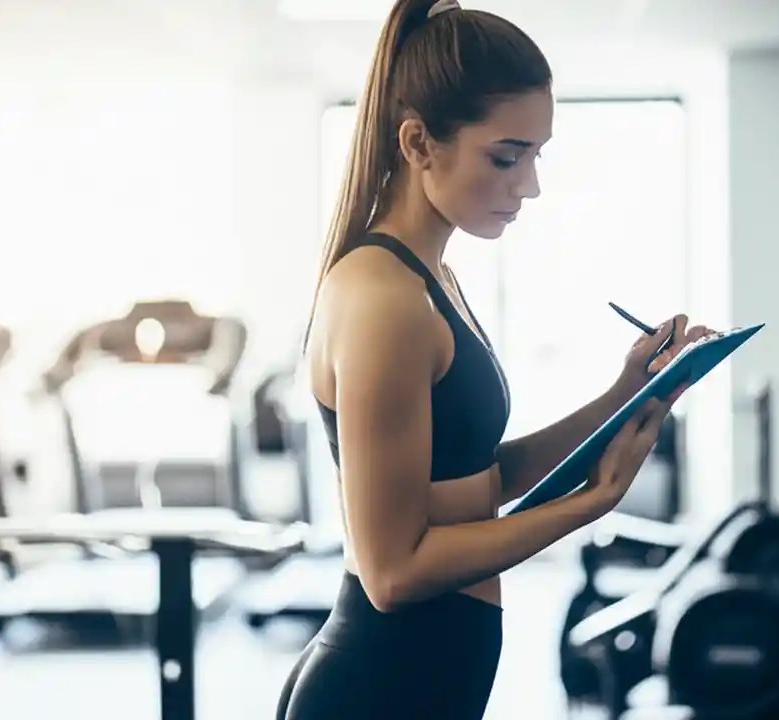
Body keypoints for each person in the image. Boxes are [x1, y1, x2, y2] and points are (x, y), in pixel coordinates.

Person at [276, 1, 711, 717]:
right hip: (379, 689)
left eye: (535, 155)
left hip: (422, 681)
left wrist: (625, 396)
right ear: (418, 143)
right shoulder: (384, 299)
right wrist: (590, 504)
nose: (528, 184)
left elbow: (480, 480)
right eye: (506, 156)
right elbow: (394, 572)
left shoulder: (430, 279)